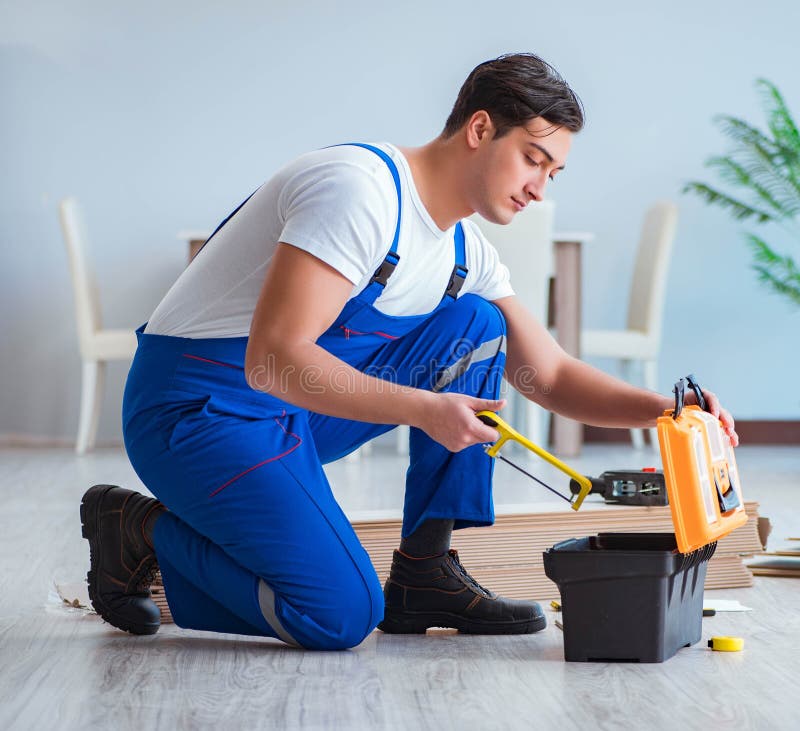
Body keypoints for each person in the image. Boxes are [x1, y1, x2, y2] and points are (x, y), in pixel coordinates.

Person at [79, 53, 738, 649]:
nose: (543, 187)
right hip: (196, 411)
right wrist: (424, 408)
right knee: (338, 614)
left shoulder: (463, 249)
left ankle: (425, 573)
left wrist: (665, 411)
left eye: (554, 171)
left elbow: (552, 374)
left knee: (480, 323)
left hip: (290, 413)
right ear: (480, 129)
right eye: (535, 159)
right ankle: (136, 530)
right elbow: (272, 359)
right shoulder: (359, 192)